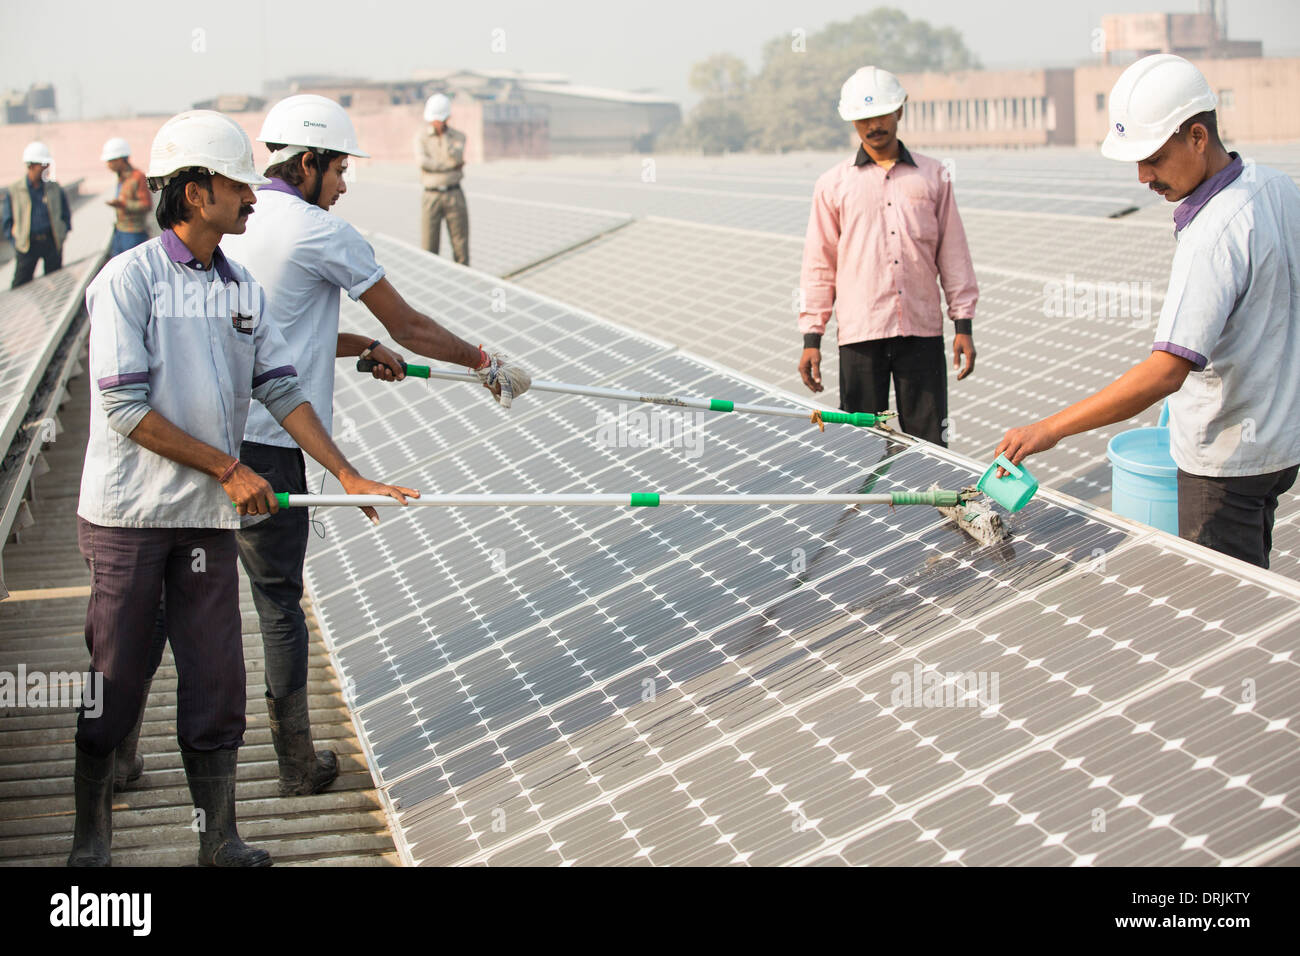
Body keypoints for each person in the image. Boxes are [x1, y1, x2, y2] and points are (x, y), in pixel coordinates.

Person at [69, 109, 416, 868]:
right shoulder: (128, 282)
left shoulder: (238, 288)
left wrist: (344, 471)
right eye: (236, 185)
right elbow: (125, 408)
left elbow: (282, 384)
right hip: (130, 517)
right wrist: (229, 466)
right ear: (196, 194)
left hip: (203, 523)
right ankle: (92, 839)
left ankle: (219, 839)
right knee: (117, 675)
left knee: (216, 677)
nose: (253, 197)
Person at [211, 94, 529, 797]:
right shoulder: (325, 233)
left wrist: (359, 344)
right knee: (276, 602)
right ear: (310, 163)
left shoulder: (230, 226)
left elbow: (275, 330)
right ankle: (295, 763)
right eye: (340, 169)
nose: (345, 184)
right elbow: (412, 325)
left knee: (179, 599)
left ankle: (117, 756)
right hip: (269, 444)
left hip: (202, 440)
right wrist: (483, 362)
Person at [996, 54, 1300, 570]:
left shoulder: (1213, 236)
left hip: (1224, 464)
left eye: (1154, 158)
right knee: (1252, 584)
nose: (1143, 176)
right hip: (1280, 444)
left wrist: (1050, 428)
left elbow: (1165, 372)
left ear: (1198, 138)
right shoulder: (1278, 187)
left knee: (1220, 608)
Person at [797, 66, 977, 447]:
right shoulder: (833, 185)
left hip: (922, 330)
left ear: (900, 110)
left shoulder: (933, 175)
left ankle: (931, 506)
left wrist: (963, 325)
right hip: (861, 333)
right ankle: (865, 508)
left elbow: (953, 253)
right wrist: (811, 337)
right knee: (860, 442)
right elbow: (819, 264)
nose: (872, 125)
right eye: (863, 118)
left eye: (880, 114)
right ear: (852, 121)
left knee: (929, 441)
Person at [3, 141, 71, 288]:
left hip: (51, 242)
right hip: (27, 246)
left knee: (56, 283)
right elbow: (7, 222)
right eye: (42, 165)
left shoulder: (54, 188)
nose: (45, 168)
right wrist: (17, 242)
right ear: (31, 165)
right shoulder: (14, 190)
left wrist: (62, 233)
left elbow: (65, 214)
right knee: (20, 285)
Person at [415, 92, 469, 265]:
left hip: (454, 193)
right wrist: (448, 167)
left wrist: (445, 138)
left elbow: (457, 159)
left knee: (460, 244)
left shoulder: (458, 137)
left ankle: (464, 278)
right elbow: (424, 162)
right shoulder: (421, 138)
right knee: (429, 245)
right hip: (431, 195)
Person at [102, 137, 151, 256]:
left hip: (133, 233)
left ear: (120, 160)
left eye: (110, 161)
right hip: (120, 231)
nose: (108, 165)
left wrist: (123, 205)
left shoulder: (137, 177)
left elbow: (146, 205)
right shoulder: (121, 178)